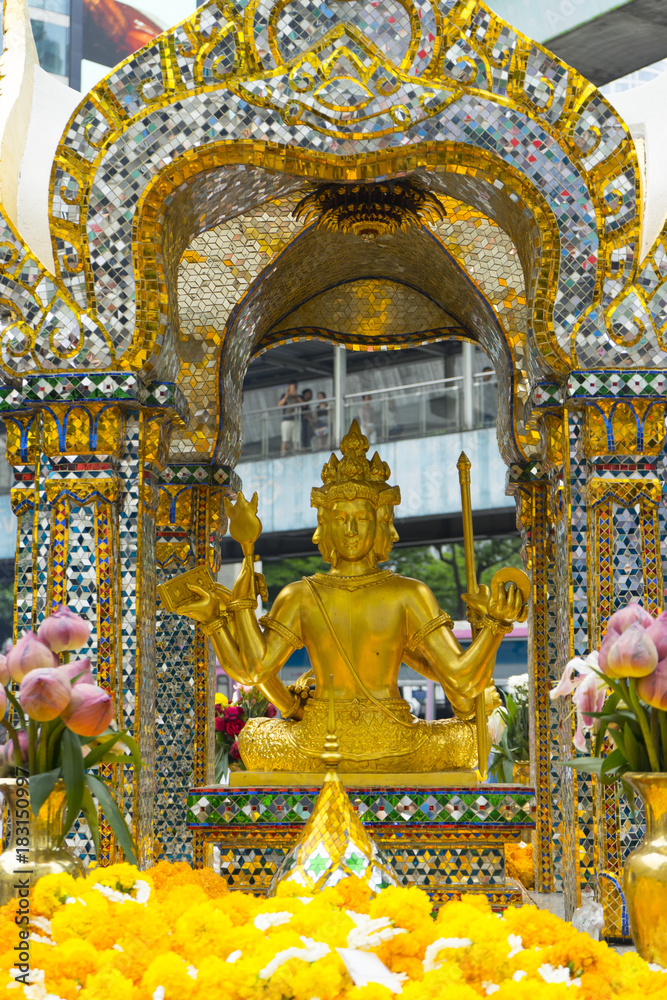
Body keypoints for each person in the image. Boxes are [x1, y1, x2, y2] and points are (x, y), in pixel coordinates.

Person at [177, 421, 529, 775]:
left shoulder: (393, 593)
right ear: (324, 524)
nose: (350, 529)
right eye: (340, 518)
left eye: (362, 518)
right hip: (391, 746)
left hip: (334, 743)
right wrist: (495, 627)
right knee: (467, 738)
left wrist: (221, 619)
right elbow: (253, 671)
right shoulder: (374, 593)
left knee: (253, 736)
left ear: (381, 522)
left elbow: (253, 672)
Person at [278, 381, 301, 456]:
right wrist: (287, 395)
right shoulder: (284, 396)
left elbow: (303, 405)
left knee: (296, 440)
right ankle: (283, 454)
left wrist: (296, 395)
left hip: (296, 419)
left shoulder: (298, 396)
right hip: (286, 419)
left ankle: (296, 453)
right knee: (285, 439)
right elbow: (279, 405)